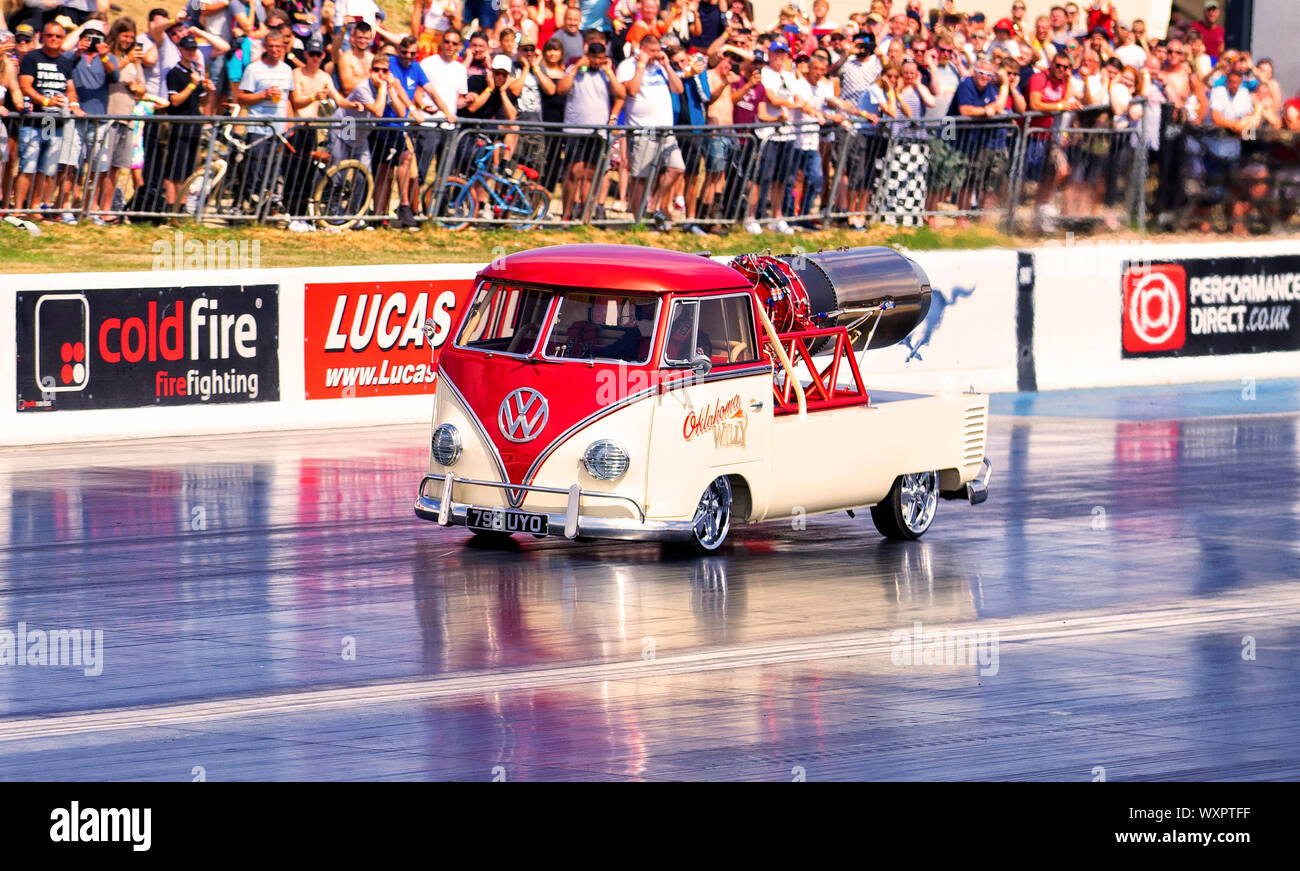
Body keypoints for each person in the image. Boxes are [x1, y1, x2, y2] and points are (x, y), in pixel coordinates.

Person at [16, 19, 82, 219]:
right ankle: (18, 209)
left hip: (53, 122)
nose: (54, 39)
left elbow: (70, 89)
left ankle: (35, 207)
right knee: (28, 165)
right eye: (50, 35)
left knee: (46, 168)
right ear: (42, 37)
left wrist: (74, 105)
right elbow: (25, 85)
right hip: (35, 120)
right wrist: (46, 100)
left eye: (58, 36)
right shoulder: (32, 58)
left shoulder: (64, 62)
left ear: (62, 39)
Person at [558, 30, 624, 221]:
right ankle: (566, 215)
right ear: (588, 56)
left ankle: (585, 217)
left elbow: (621, 94)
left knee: (589, 174)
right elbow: (561, 89)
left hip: (598, 133)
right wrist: (578, 66)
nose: (597, 62)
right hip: (575, 130)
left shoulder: (606, 73)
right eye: (595, 58)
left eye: (601, 58)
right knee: (572, 172)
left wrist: (609, 71)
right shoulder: (575, 68)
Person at [1026, 50, 1079, 232]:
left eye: (1065, 67)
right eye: (1058, 65)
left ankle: (1041, 213)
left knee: (1056, 173)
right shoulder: (1040, 78)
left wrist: (1070, 80)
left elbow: (1065, 102)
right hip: (1032, 135)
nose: (1061, 69)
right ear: (1052, 64)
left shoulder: (1064, 81)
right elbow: (1035, 104)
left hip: (1051, 137)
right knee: (1023, 179)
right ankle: (1014, 216)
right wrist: (1058, 106)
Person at [162, 34, 211, 210]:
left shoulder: (195, 73)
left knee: (187, 172)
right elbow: (175, 100)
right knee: (175, 170)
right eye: (188, 49)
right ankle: (171, 207)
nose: (191, 52)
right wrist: (191, 85)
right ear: (180, 50)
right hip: (179, 127)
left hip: (194, 128)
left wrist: (209, 91)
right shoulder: (174, 73)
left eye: (193, 49)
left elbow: (202, 102)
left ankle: (181, 207)